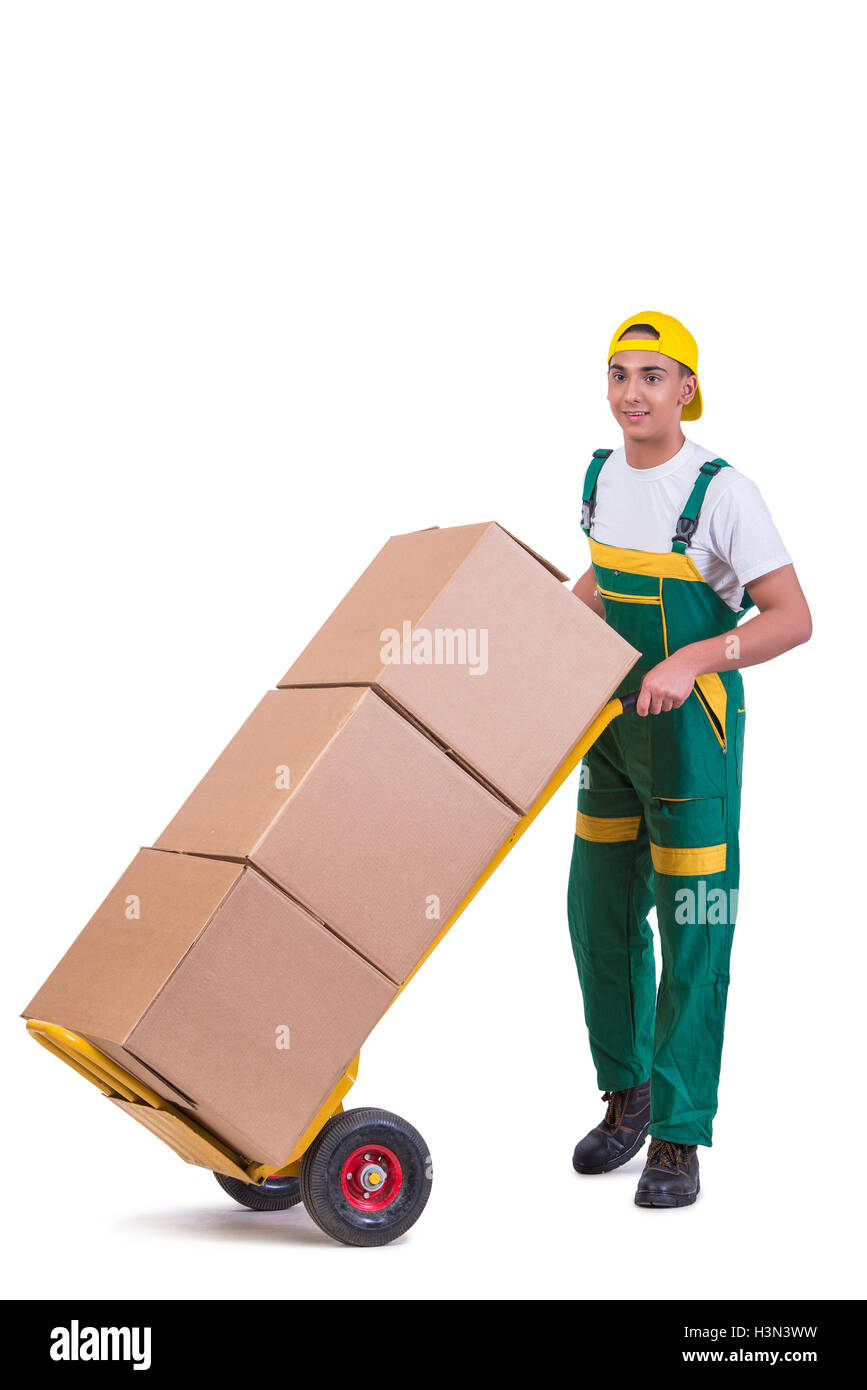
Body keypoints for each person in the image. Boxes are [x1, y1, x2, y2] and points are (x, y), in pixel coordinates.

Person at [567, 310, 811, 1207]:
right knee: (596, 918)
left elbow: (791, 618)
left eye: (653, 377)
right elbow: (603, 578)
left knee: (694, 931)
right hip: (610, 735)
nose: (633, 394)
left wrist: (693, 657)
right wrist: (549, 622)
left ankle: (677, 1135)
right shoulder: (598, 475)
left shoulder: (720, 491)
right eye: (618, 375)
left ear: (687, 389)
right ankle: (626, 1094)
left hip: (690, 745)